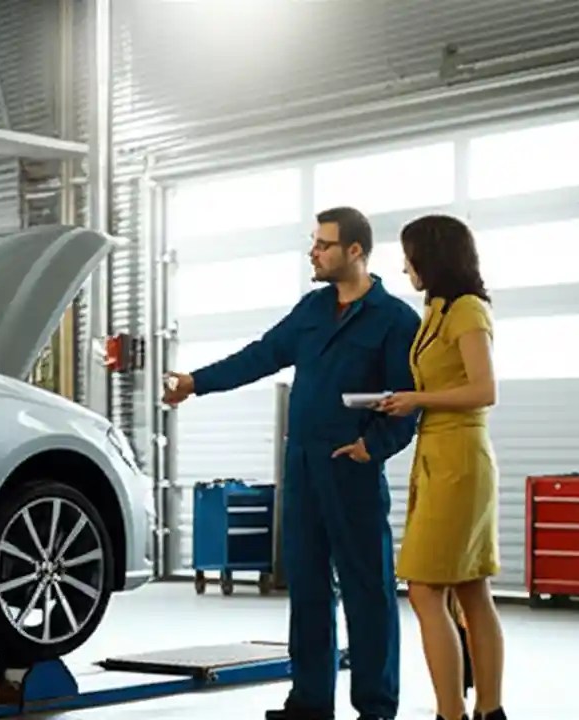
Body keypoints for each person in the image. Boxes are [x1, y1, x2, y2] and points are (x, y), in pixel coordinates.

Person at [163, 207, 421, 720]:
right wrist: (197, 382)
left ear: (354, 251)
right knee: (305, 587)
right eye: (314, 242)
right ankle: (309, 701)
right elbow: (261, 355)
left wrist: (375, 447)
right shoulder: (311, 310)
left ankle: (375, 707)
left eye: (323, 244)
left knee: (367, 590)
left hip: (352, 466)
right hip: (302, 466)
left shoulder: (395, 319)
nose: (313, 252)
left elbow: (407, 399)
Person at [375, 214, 507, 720]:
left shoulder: (468, 311)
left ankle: (451, 712)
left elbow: (484, 389)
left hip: (459, 458)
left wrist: (417, 399)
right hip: (438, 454)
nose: (404, 263)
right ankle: (488, 711)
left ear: (431, 257)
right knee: (470, 586)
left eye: (409, 253)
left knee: (427, 588)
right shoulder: (437, 311)